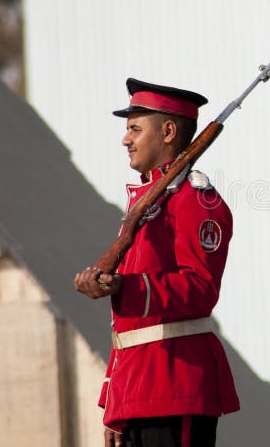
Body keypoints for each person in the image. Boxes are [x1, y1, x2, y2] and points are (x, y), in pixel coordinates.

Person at [74, 78, 240, 447]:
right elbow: (128, 327)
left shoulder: (195, 201)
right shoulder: (147, 202)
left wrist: (123, 287)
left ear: (168, 131)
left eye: (135, 128)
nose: (125, 139)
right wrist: (115, 403)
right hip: (140, 390)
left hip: (175, 382)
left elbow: (200, 289)